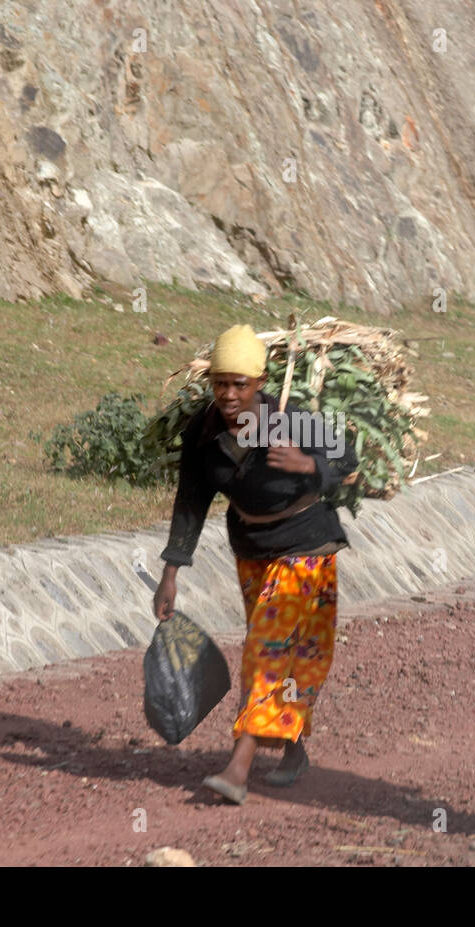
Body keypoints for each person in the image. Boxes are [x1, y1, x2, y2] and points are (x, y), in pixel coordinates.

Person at [153, 324, 358, 805]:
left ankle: (239, 766)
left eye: (239, 384)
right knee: (281, 652)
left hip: (307, 544)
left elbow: (347, 460)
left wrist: (310, 467)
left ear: (261, 382)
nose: (228, 394)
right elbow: (191, 501)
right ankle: (291, 749)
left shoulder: (292, 420)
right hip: (252, 548)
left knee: (266, 650)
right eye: (220, 382)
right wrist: (171, 570)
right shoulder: (202, 433)